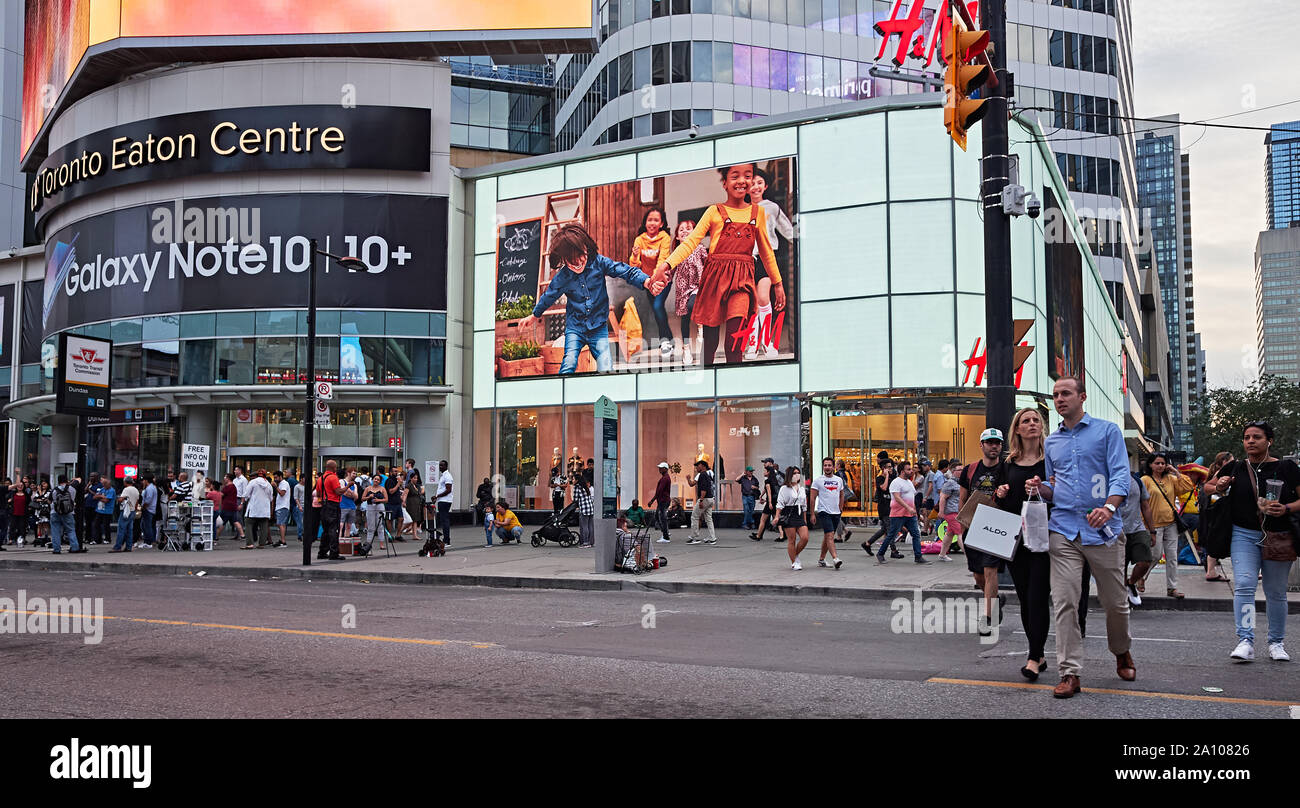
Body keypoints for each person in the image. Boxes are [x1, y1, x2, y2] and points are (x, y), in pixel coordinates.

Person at [1030, 376, 1135, 699]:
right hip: (1063, 530)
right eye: (1056, 395)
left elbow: (1121, 474)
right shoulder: (1052, 442)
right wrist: (1040, 488)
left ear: (1082, 397)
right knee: (1064, 602)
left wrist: (1108, 506)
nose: (1060, 399)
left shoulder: (1107, 431)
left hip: (1103, 529)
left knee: (1115, 602)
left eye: (1066, 393)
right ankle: (1069, 672)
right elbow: (1054, 485)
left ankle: (1121, 650)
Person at [656, 163, 787, 366]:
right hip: (714, 279)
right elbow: (690, 242)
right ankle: (709, 382)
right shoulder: (713, 212)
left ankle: (732, 386)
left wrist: (778, 284)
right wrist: (665, 266)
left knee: (735, 339)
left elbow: (766, 251)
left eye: (747, 176)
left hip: (743, 279)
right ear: (725, 183)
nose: (742, 180)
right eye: (735, 176)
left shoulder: (758, 213)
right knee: (710, 340)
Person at [1201, 421, 1298, 662]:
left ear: (1269, 441)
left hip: (1278, 535)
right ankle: (1246, 640)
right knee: (1244, 584)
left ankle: (1277, 642)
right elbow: (1208, 487)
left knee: (1275, 592)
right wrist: (1220, 485)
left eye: (1256, 437)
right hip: (1243, 533)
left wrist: (1285, 508)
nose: (1250, 441)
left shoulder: (1287, 467)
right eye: (1246, 438)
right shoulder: (1235, 467)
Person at [520, 223, 660, 375]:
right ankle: (563, 395)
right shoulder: (563, 277)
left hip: (598, 327)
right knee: (569, 361)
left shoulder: (598, 262)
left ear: (586, 248)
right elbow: (549, 296)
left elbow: (625, 271)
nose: (579, 263)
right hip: (575, 328)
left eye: (581, 256)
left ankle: (605, 397)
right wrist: (535, 315)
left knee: (605, 365)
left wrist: (646, 281)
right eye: (573, 261)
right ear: (564, 260)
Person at [993, 409, 1050, 678]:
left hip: (1043, 537)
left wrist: (1043, 488)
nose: (1031, 424)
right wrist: (1001, 492)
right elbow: (1002, 500)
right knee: (1026, 598)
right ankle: (1038, 653)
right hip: (1015, 539)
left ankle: (1032, 657)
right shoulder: (1009, 464)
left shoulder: (1050, 459)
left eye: (1036, 420)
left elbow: (1062, 492)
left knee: (1038, 596)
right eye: (1025, 421)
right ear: (1016, 429)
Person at [745, 167, 795, 359]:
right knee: (751, 304)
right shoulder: (743, 209)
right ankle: (751, 344)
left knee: (763, 299)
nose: (755, 186)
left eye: (759, 183)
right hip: (749, 260)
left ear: (765, 186)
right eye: (752, 183)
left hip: (767, 259)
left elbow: (788, 230)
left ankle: (766, 341)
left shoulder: (772, 207)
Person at [959, 429, 1007, 629]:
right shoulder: (969, 470)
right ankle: (995, 600)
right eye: (989, 442)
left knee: (990, 571)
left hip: (996, 525)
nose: (993, 446)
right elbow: (963, 499)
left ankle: (989, 618)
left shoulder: (1007, 469)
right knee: (978, 575)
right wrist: (961, 529)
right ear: (981, 445)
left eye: (997, 442)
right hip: (973, 524)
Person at [1141, 452, 1195, 599]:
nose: (1160, 466)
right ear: (1150, 465)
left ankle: (1172, 588)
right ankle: (1141, 577)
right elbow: (1141, 503)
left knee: (1172, 557)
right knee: (1155, 555)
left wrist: (1176, 471)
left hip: (1171, 524)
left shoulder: (1171, 479)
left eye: (1163, 463)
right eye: (1157, 463)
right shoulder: (1145, 480)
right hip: (1153, 525)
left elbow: (1188, 486)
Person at [629, 206, 676, 358]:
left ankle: (665, 341)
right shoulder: (639, 239)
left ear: (661, 223)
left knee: (657, 306)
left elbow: (662, 261)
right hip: (648, 282)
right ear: (645, 222)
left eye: (656, 220)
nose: (652, 223)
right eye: (650, 220)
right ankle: (669, 338)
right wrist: (635, 256)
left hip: (663, 280)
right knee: (657, 310)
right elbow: (634, 266)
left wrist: (655, 281)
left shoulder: (665, 237)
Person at [659, 218, 707, 365]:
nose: (685, 231)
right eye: (681, 230)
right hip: (682, 291)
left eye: (689, 229)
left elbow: (709, 263)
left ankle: (700, 325)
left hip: (697, 286)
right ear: (677, 237)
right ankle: (686, 348)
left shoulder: (699, 248)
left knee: (693, 305)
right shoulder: (677, 253)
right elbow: (670, 270)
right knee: (684, 319)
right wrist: (663, 279)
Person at [1120, 462, 1156, 608]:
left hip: (1137, 528)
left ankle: (1131, 583)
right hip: (1116, 530)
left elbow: (1146, 506)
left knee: (1145, 561)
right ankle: (1122, 597)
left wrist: (1152, 531)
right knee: (1119, 567)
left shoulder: (1137, 481)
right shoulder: (1106, 479)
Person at [878, 460, 926, 565]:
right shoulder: (896, 482)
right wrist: (909, 508)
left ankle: (918, 556)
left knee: (916, 534)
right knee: (892, 534)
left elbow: (912, 497)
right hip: (898, 513)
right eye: (908, 469)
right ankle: (880, 553)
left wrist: (915, 512)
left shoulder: (909, 482)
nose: (911, 471)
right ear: (902, 471)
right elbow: (897, 497)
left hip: (910, 514)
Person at [1201, 451, 1235, 583]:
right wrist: (1220, 487)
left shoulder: (1218, 473)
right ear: (1224, 462)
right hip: (1221, 512)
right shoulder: (1223, 474)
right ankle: (1211, 570)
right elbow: (1208, 488)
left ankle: (1211, 570)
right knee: (1218, 540)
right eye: (1231, 460)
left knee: (1216, 540)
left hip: (1217, 512)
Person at [810, 456, 846, 569]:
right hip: (823, 511)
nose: (827, 467)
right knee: (830, 535)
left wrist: (841, 507)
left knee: (827, 536)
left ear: (833, 466)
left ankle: (821, 559)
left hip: (836, 512)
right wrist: (812, 514)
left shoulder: (838, 480)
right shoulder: (817, 481)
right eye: (825, 465)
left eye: (829, 465)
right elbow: (812, 498)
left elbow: (841, 494)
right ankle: (836, 559)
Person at [863, 454, 899, 556]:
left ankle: (867, 543)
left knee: (884, 529)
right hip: (884, 508)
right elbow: (883, 488)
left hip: (891, 507)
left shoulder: (893, 478)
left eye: (891, 466)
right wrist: (886, 476)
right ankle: (893, 551)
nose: (891, 468)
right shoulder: (879, 479)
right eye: (888, 467)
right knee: (890, 530)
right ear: (883, 468)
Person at [776, 466, 809, 570]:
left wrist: (805, 519)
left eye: (798, 473)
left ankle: (794, 554)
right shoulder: (784, 488)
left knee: (805, 538)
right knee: (792, 540)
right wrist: (777, 516)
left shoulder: (802, 488)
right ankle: (794, 562)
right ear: (790, 475)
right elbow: (780, 503)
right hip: (789, 513)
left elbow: (804, 505)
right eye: (794, 473)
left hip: (799, 513)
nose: (797, 475)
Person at [749, 457, 784, 542]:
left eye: (765, 463)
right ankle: (782, 535)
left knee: (764, 519)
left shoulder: (774, 477)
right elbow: (768, 489)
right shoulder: (772, 478)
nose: (764, 465)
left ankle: (759, 535)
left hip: (772, 501)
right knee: (776, 518)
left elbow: (769, 491)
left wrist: (769, 502)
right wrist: (761, 496)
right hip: (776, 500)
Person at [936, 460, 964, 562]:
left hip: (958, 511)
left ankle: (942, 554)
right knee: (960, 533)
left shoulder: (961, 482)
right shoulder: (949, 483)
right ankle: (970, 558)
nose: (962, 471)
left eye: (962, 469)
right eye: (959, 470)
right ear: (953, 471)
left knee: (949, 534)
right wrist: (941, 512)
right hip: (951, 511)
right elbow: (942, 497)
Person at [317, 460, 344, 560]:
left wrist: (322, 501)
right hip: (333, 504)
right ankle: (334, 553)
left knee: (326, 530)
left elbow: (318, 494)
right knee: (333, 529)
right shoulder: (333, 477)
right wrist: (348, 486)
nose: (336, 469)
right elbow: (338, 492)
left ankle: (322, 552)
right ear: (333, 468)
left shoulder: (320, 478)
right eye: (336, 467)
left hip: (324, 505)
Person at [49, 475, 82, 554]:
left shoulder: (54, 490)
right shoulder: (72, 488)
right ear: (67, 481)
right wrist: (72, 480)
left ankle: (56, 549)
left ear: (58, 481)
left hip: (55, 512)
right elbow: (79, 479)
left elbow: (50, 501)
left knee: (55, 531)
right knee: (70, 530)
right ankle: (74, 547)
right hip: (68, 512)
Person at [686, 460, 716, 545]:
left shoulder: (702, 475)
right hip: (710, 499)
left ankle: (694, 537)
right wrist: (688, 479)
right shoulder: (707, 474)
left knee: (694, 516)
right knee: (709, 519)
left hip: (705, 499)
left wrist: (701, 500)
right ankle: (712, 537)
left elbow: (703, 489)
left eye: (697, 466)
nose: (696, 468)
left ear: (703, 466)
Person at [244, 469, 276, 549]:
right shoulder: (268, 485)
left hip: (254, 507)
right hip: (265, 508)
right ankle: (262, 543)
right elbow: (271, 498)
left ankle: (250, 543)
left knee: (248, 524)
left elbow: (246, 494)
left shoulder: (253, 482)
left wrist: (245, 500)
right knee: (264, 526)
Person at [359, 474, 388, 554]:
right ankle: (368, 544)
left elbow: (386, 499)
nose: (376, 481)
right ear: (372, 480)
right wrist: (369, 497)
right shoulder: (368, 488)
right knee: (371, 526)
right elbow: (362, 498)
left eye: (378, 480)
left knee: (380, 526)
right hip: (370, 507)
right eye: (375, 479)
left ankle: (381, 544)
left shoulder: (382, 489)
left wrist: (378, 500)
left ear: (380, 481)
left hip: (380, 507)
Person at [110, 478, 139, 552]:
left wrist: (118, 498)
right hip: (132, 511)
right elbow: (137, 502)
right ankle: (129, 546)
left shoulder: (126, 490)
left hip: (126, 511)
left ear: (125, 482)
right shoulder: (136, 490)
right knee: (129, 530)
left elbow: (121, 499)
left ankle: (118, 546)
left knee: (121, 529)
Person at [649, 461, 672, 544]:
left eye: (661, 468)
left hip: (663, 501)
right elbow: (659, 491)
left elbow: (659, 491)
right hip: (663, 500)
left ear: (665, 469)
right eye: (659, 468)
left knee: (662, 518)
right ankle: (665, 532)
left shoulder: (665, 478)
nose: (659, 469)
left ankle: (666, 536)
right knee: (659, 517)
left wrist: (652, 500)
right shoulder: (665, 477)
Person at [218, 473, 245, 543]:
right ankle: (242, 535)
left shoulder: (228, 487)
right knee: (235, 521)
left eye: (225, 477)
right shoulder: (233, 486)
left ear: (228, 478)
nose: (224, 478)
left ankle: (216, 537)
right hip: (233, 506)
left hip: (227, 507)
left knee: (222, 522)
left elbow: (221, 495)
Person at [832, 459, 854, 543]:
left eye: (836, 464)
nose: (835, 466)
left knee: (836, 516)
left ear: (839, 465)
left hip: (838, 497)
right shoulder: (846, 473)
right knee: (837, 516)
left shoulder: (838, 474)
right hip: (843, 497)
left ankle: (839, 536)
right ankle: (845, 531)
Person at [93, 476, 117, 547]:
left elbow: (106, 500)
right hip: (99, 510)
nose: (104, 486)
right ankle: (97, 539)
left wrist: (99, 497)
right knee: (96, 524)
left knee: (106, 525)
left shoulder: (111, 490)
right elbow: (94, 497)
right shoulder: (102, 489)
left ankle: (107, 539)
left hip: (107, 511)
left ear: (109, 484)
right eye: (103, 484)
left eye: (105, 484)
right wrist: (101, 497)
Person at [434, 461, 453, 546]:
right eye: (439, 465)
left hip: (445, 501)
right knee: (443, 520)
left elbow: (448, 490)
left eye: (442, 465)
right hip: (442, 500)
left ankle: (446, 540)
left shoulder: (447, 476)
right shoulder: (444, 476)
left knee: (445, 520)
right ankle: (446, 539)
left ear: (446, 466)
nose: (440, 467)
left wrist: (437, 496)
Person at [573, 473, 595, 547]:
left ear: (576, 480)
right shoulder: (585, 486)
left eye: (573, 479)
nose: (572, 480)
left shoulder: (577, 487)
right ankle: (591, 542)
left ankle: (585, 542)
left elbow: (575, 499)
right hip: (590, 508)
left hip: (584, 509)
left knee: (584, 526)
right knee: (590, 526)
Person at [735, 466, 759, 530]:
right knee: (746, 510)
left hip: (752, 496)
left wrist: (755, 487)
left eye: (752, 471)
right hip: (745, 496)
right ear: (747, 472)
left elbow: (758, 487)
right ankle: (746, 523)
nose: (751, 472)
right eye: (750, 471)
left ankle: (750, 522)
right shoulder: (743, 478)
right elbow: (736, 480)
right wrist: (742, 474)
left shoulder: (754, 479)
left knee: (751, 510)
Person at [139, 474, 159, 549]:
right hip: (150, 509)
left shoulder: (150, 488)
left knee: (146, 526)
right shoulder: (152, 487)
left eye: (143, 480)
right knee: (144, 525)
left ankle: (148, 542)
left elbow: (148, 500)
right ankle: (148, 541)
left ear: (146, 480)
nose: (142, 482)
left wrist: (143, 507)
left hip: (148, 509)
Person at [272, 470, 291, 548]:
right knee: (281, 523)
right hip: (282, 506)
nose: (275, 479)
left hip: (282, 506)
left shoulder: (283, 483)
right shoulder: (282, 483)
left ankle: (283, 541)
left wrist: (275, 487)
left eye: (276, 477)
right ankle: (282, 540)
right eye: (274, 477)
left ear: (280, 477)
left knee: (281, 524)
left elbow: (282, 493)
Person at [32, 480, 51, 546]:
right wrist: (40, 498)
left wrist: (40, 496)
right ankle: (39, 538)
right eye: (42, 484)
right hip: (39, 510)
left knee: (45, 524)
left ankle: (46, 537)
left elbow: (45, 499)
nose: (43, 485)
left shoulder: (49, 491)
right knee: (39, 524)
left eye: (45, 483)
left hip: (45, 510)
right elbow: (35, 499)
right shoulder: (38, 492)